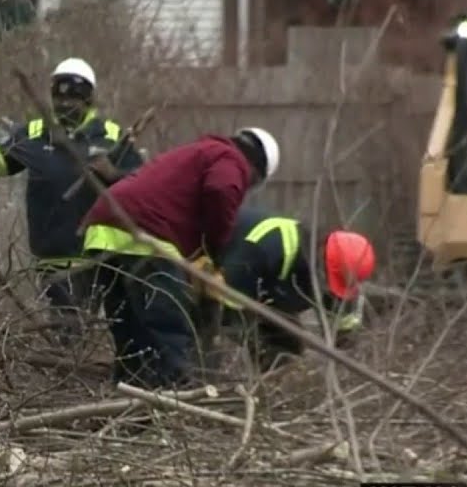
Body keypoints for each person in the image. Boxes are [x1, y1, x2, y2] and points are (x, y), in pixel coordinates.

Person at [0, 58, 143, 339]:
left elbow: (141, 183)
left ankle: (88, 371)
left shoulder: (110, 136)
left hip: (95, 252)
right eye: (59, 96)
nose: (65, 104)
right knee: (67, 327)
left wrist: (112, 173)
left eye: (74, 97)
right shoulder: (33, 134)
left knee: (89, 327)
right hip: (51, 251)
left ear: (89, 98)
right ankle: (71, 371)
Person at [79, 127, 280, 389]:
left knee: (130, 331)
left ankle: (128, 397)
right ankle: (174, 399)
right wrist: (213, 250)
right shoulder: (230, 159)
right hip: (144, 234)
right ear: (256, 168)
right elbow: (220, 190)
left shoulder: (197, 153)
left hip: (103, 230)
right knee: (169, 324)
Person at [197, 206, 377, 372]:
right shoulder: (266, 249)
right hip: (215, 274)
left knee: (290, 350)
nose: (329, 290)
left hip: (267, 290)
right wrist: (262, 350)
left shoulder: (338, 271)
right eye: (330, 282)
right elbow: (229, 312)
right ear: (321, 258)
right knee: (213, 342)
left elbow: (345, 328)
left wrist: (347, 359)